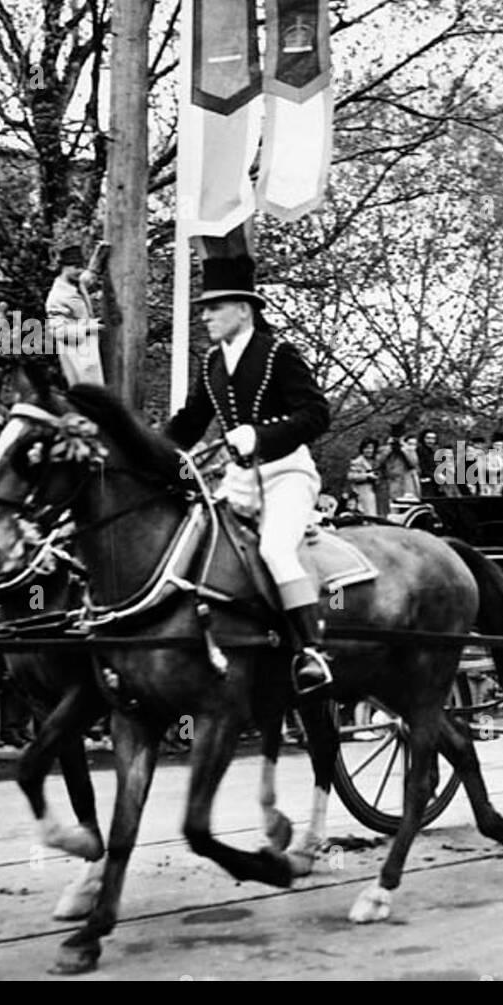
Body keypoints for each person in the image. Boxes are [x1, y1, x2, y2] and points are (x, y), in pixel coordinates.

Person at [165, 254, 332, 695]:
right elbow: (189, 422)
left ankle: (311, 650)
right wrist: (148, 450)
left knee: (277, 548)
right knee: (198, 549)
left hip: (286, 474)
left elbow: (316, 415)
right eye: (203, 309)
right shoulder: (211, 363)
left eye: (213, 308)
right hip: (238, 482)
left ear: (244, 309)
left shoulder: (279, 352)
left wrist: (259, 435)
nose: (204, 317)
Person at [45, 243, 105, 387]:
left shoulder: (75, 284)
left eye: (81, 266)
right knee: (86, 392)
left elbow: (88, 277)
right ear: (64, 267)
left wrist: (98, 257)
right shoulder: (57, 296)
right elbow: (57, 330)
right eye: (76, 267)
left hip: (88, 348)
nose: (80, 271)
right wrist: (89, 327)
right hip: (75, 353)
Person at [379, 433, 421, 516]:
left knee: (406, 508)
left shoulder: (408, 449)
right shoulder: (384, 450)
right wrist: (389, 448)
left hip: (406, 485)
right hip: (389, 484)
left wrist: (403, 448)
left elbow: (413, 463)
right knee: (390, 511)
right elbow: (379, 462)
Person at [346, 437, 380, 516]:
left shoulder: (375, 461)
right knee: (368, 514)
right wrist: (367, 476)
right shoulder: (357, 461)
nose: (369, 451)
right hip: (362, 491)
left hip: (376, 491)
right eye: (366, 448)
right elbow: (350, 476)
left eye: (371, 448)